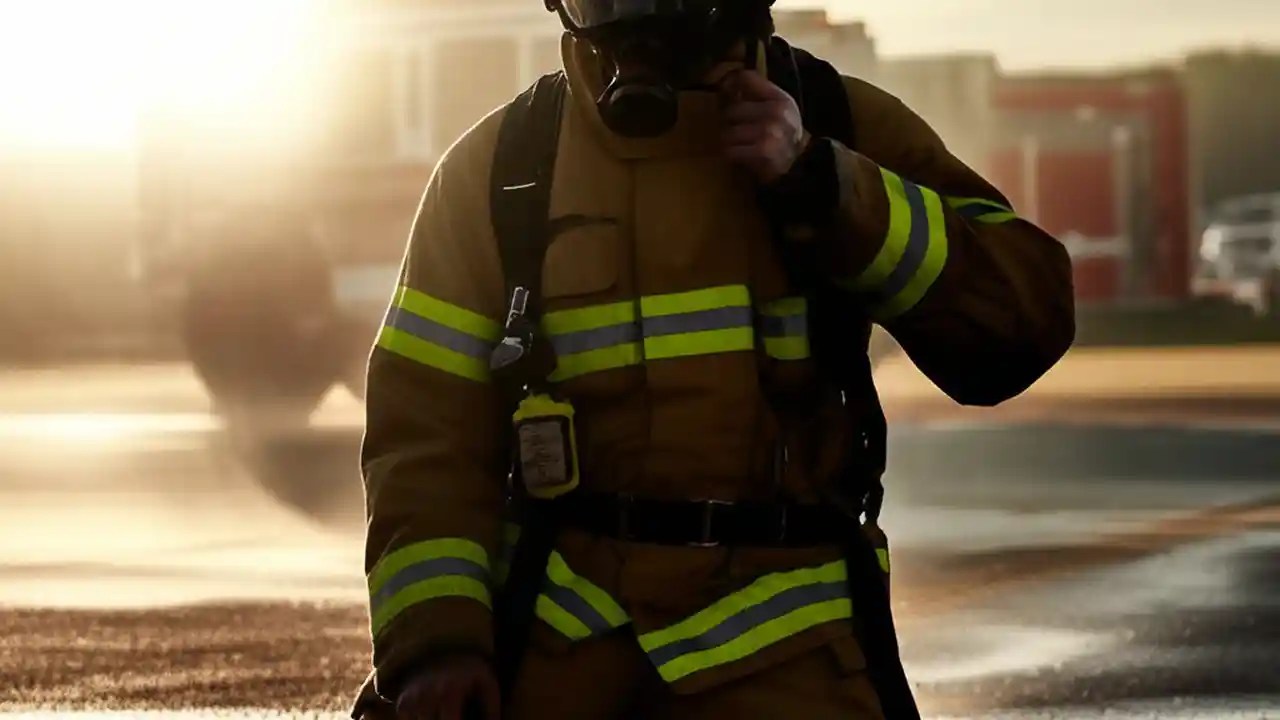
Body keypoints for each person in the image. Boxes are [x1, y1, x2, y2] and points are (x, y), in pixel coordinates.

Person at [354, 1, 1075, 718]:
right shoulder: (501, 169)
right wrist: (437, 645)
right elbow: (423, 434)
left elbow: (1024, 325)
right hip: (563, 647)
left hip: (793, 654)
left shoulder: (835, 120)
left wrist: (827, 185)